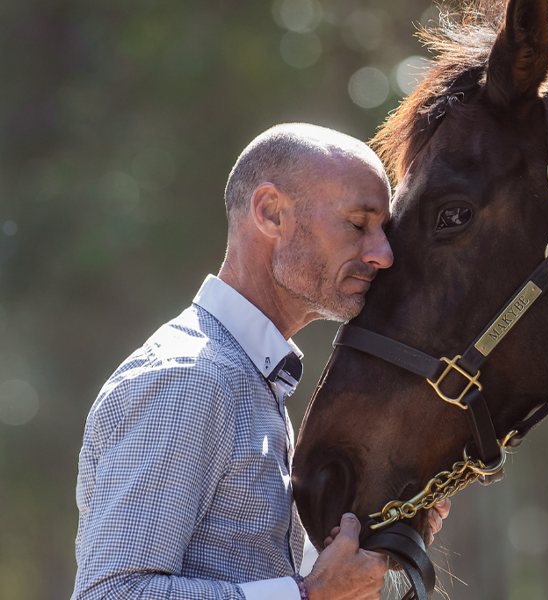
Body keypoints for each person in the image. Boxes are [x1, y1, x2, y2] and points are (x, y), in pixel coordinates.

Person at [72, 123, 449, 600]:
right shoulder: (189, 380)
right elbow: (112, 594)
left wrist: (369, 545)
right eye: (358, 224)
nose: (384, 254)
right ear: (271, 213)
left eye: (383, 231)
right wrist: (309, 595)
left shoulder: (248, 379)